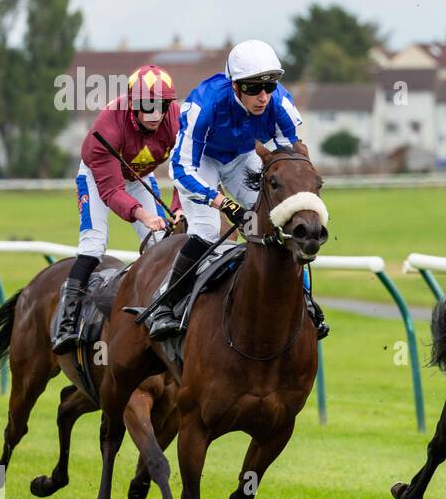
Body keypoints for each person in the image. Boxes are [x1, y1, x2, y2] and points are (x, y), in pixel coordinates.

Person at [140, 39, 327, 340]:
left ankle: (304, 298)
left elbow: (290, 155)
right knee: (207, 231)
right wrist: (222, 202)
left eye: (269, 86)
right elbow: (181, 168)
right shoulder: (205, 104)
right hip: (202, 162)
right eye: (253, 88)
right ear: (235, 86)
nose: (263, 96)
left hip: (242, 158)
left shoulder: (279, 103)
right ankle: (165, 302)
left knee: (277, 220)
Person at [52, 65, 182, 353]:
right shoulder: (107, 128)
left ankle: (164, 311)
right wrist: (144, 215)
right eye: (146, 106)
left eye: (161, 106)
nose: (154, 114)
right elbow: (111, 192)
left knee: (161, 243)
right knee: (94, 243)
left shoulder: (177, 120)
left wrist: (178, 208)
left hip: (138, 176)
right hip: (99, 177)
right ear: (133, 105)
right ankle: (66, 318)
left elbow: (185, 170)